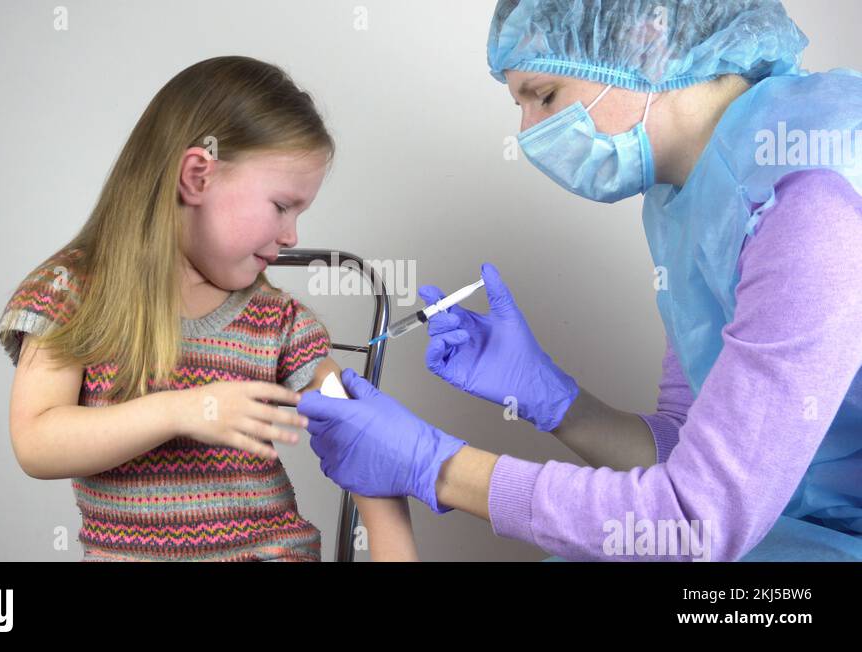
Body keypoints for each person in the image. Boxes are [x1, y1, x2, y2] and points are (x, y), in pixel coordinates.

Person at [297, 0, 862, 561]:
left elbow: (693, 520)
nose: (526, 132)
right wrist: (554, 399)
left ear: (649, 38)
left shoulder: (808, 198)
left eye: (543, 96)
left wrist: (432, 464)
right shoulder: (687, 205)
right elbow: (686, 455)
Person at [0, 56, 418, 561]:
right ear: (197, 176)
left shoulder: (274, 322)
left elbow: (359, 439)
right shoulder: (71, 293)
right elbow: (37, 442)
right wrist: (179, 410)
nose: (291, 236)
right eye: (282, 206)